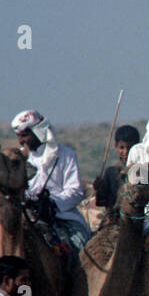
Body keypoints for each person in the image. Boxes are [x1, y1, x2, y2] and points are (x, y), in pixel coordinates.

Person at [10, 109, 91, 254]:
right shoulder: (19, 159)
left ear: (38, 131)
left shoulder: (66, 155)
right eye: (18, 136)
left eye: (24, 135)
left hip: (61, 217)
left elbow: (76, 191)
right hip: (26, 216)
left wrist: (52, 204)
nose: (21, 141)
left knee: (79, 248)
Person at [91, 124, 140, 212]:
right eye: (122, 147)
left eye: (130, 147)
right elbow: (101, 202)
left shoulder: (142, 172)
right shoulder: (111, 172)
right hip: (115, 218)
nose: (126, 151)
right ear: (115, 146)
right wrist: (99, 189)